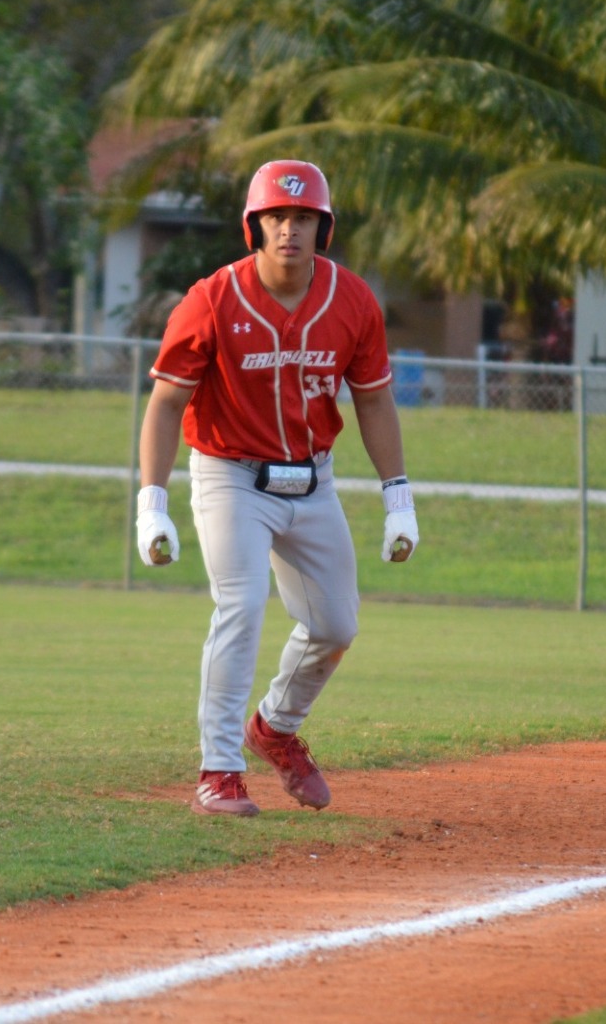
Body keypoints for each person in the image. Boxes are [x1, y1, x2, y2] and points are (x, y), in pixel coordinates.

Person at [134, 159, 418, 816]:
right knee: (242, 604)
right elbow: (166, 402)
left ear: (324, 227)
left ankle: (276, 728)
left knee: (335, 623)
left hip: (313, 480)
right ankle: (219, 769)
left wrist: (397, 497)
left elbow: (374, 402)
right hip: (231, 473)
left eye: (303, 217)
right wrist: (152, 503)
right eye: (277, 216)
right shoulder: (211, 299)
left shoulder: (352, 301)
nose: (289, 228)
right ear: (254, 226)